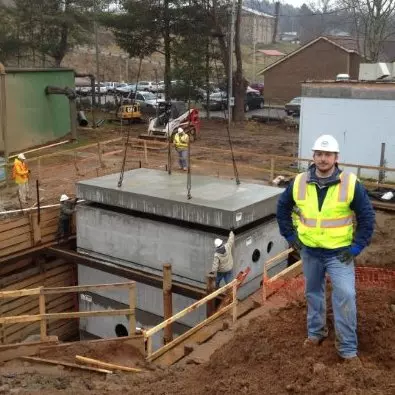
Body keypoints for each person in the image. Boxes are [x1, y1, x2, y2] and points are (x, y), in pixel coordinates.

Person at [276, 134, 375, 364]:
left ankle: (348, 349)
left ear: (336, 158)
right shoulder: (300, 181)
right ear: (313, 156)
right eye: (319, 154)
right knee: (313, 293)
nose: (323, 159)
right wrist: (292, 237)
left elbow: (367, 217)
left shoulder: (350, 184)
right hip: (309, 251)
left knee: (346, 295)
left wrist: (356, 246)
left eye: (327, 155)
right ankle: (316, 333)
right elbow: (282, 208)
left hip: (339, 253)